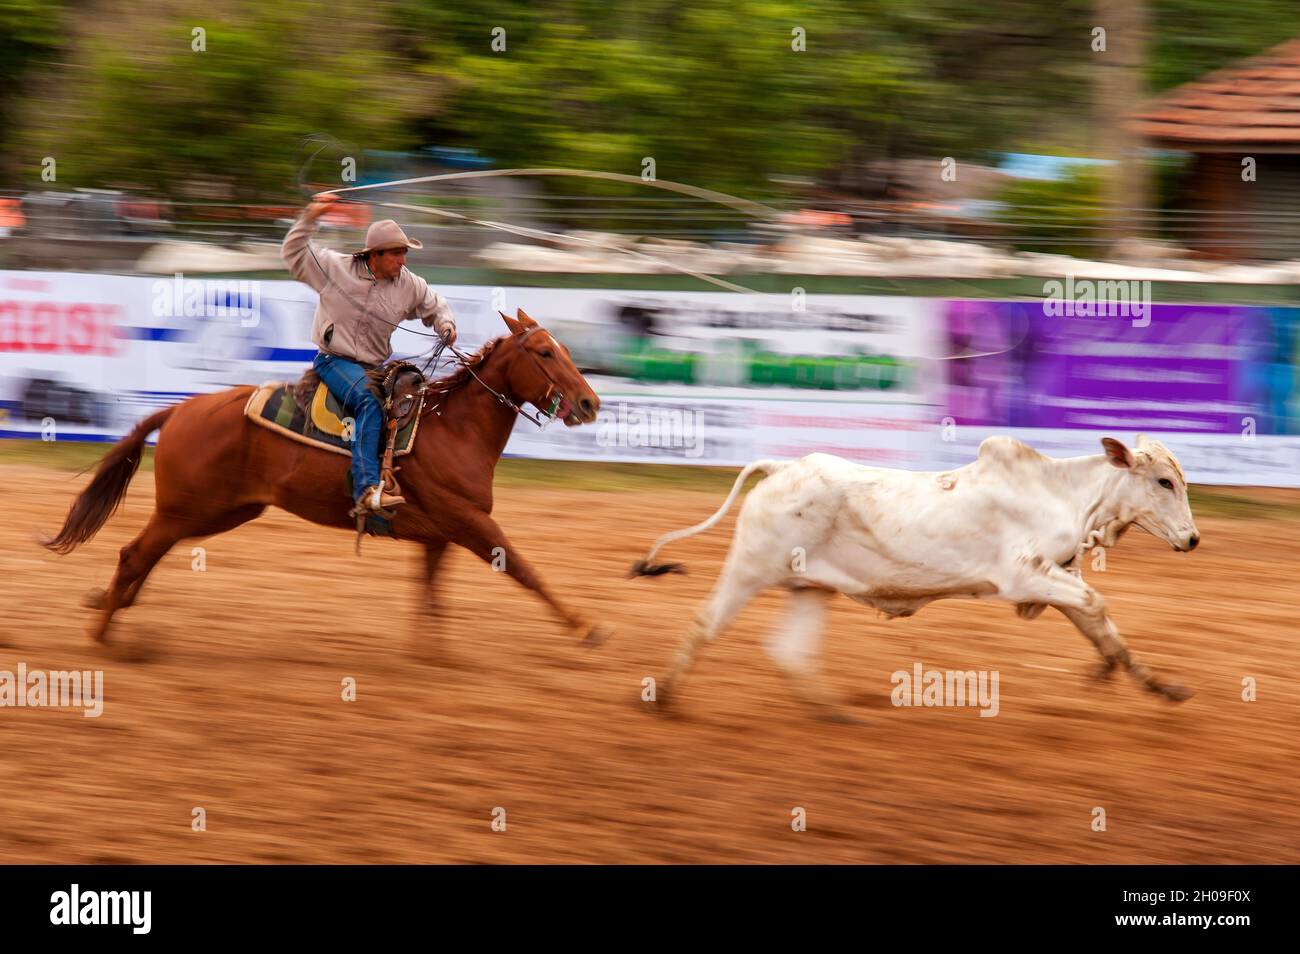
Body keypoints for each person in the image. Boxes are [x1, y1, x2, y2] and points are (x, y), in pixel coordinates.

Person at [282, 196, 456, 514]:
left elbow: (435, 304)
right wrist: (310, 216)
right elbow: (293, 253)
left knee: (414, 399)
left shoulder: (410, 285)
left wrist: (444, 324)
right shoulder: (335, 268)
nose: (403, 260)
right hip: (334, 361)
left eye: (405, 253)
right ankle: (366, 490)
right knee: (369, 400)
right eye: (397, 253)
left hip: (375, 366)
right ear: (375, 255)